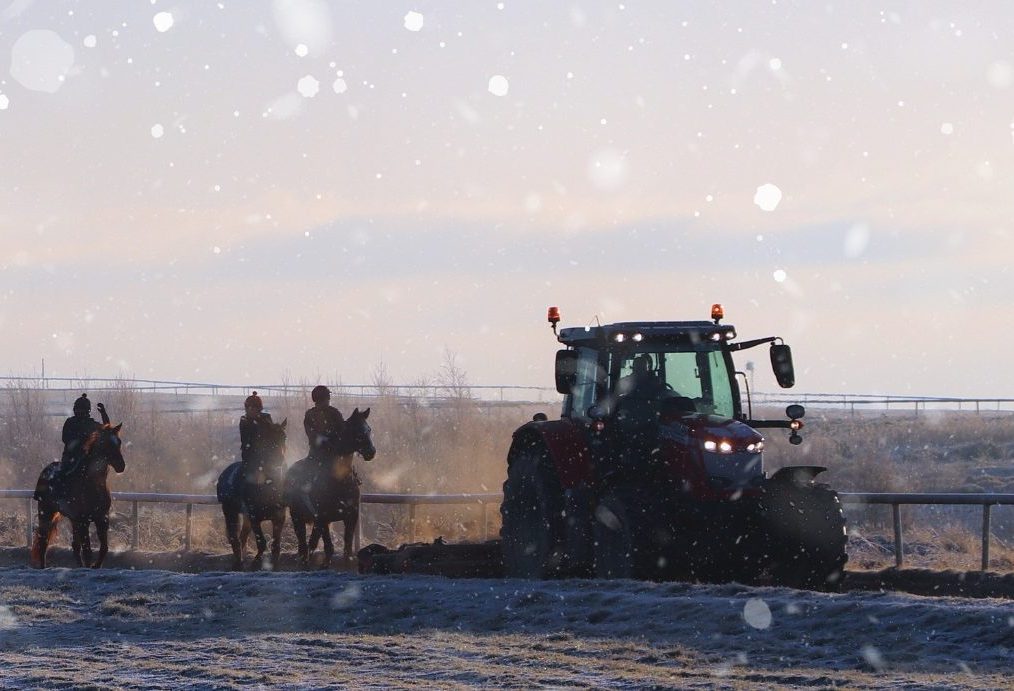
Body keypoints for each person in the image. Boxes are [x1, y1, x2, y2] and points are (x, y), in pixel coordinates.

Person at [58, 393, 103, 479]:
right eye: (79, 410)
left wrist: (103, 414)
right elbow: (65, 439)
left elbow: (107, 429)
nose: (80, 412)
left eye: (82, 410)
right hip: (71, 458)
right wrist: (81, 441)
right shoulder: (71, 422)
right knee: (64, 475)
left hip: (87, 458)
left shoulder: (91, 424)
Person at [303, 385, 344, 462]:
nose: (328, 399)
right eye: (327, 397)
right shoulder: (310, 414)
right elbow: (312, 435)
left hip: (334, 452)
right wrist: (326, 442)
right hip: (318, 454)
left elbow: (342, 430)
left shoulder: (335, 413)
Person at [239, 391, 274, 463]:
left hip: (268, 457)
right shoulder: (244, 420)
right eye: (250, 409)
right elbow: (246, 440)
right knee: (249, 472)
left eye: (254, 408)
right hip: (250, 458)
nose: (252, 411)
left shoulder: (266, 418)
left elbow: (273, 436)